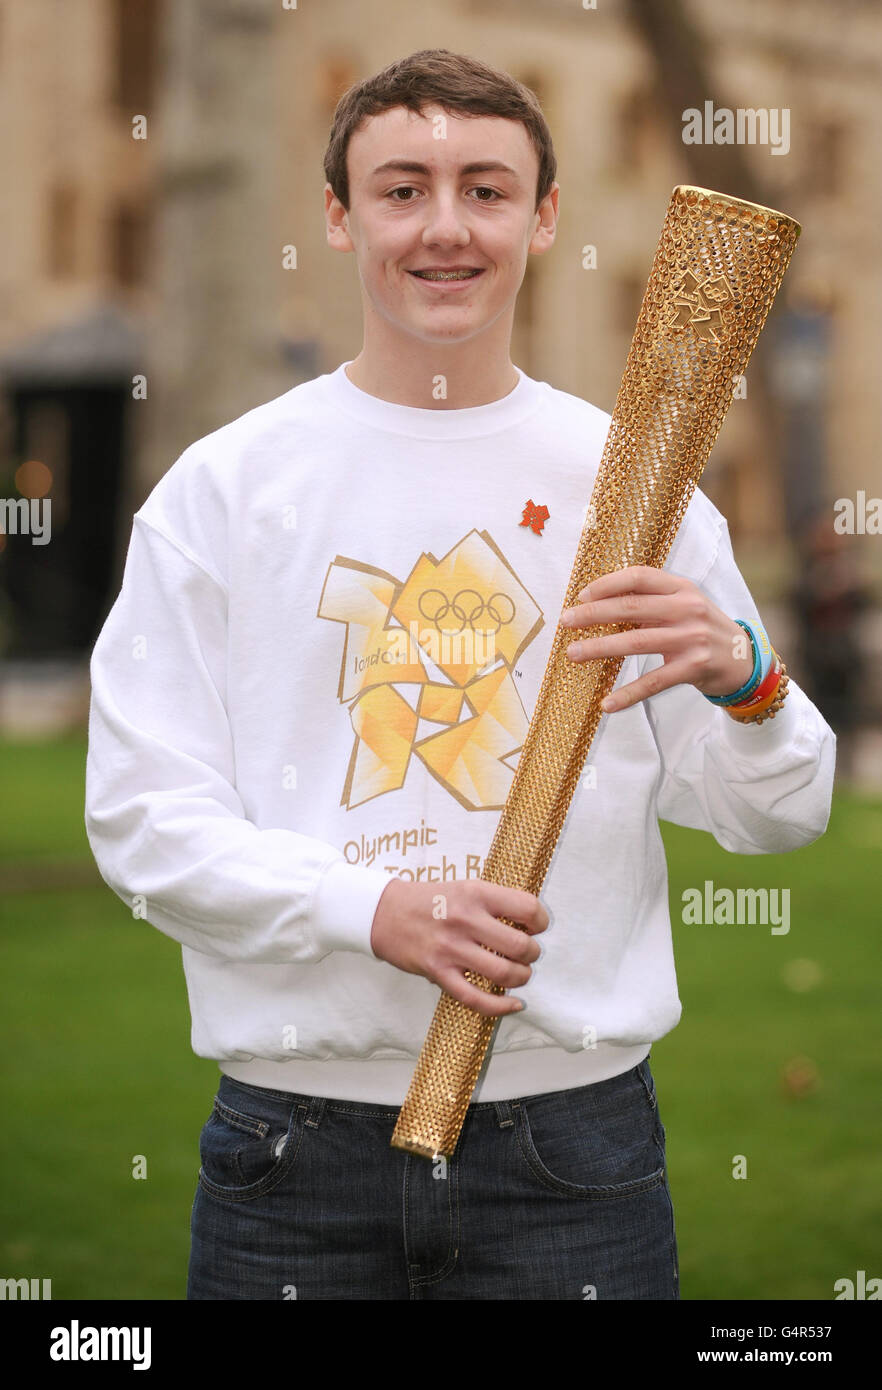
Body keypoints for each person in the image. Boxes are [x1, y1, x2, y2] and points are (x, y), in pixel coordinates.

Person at [84, 48, 836, 1301]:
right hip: (292, 1151)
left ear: (544, 218)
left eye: (487, 190)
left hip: (573, 1154)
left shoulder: (635, 489)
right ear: (338, 215)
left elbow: (780, 813)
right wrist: (365, 911)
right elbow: (140, 821)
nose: (446, 227)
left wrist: (747, 682)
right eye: (401, 189)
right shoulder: (225, 492)